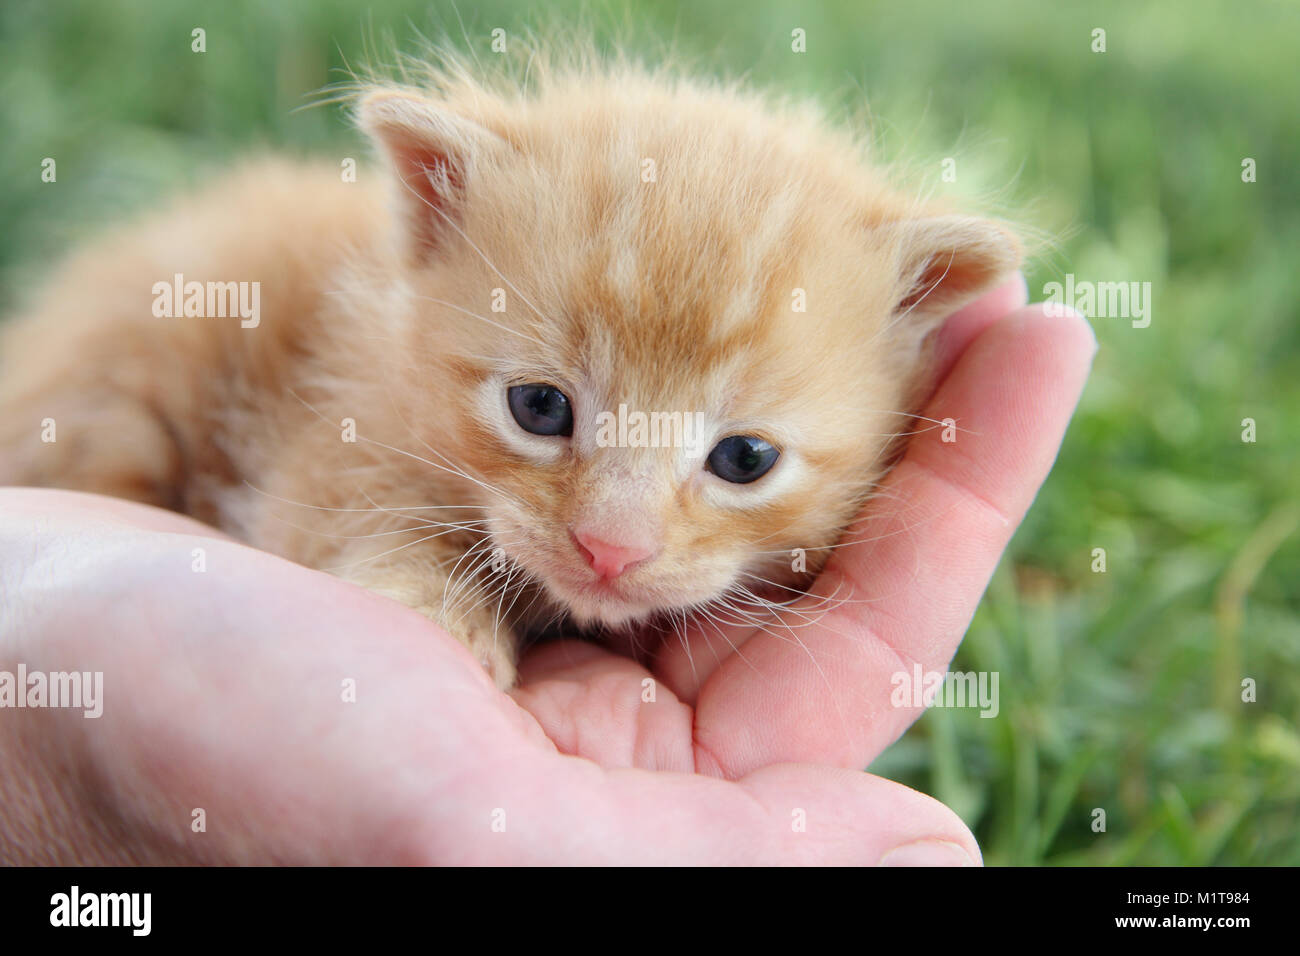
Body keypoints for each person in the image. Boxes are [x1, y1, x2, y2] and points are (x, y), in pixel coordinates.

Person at [0, 279, 1095, 864]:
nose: (614, 538)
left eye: (738, 458)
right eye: (542, 410)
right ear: (427, 219)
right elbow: (322, 492)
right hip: (149, 403)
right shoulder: (395, 368)